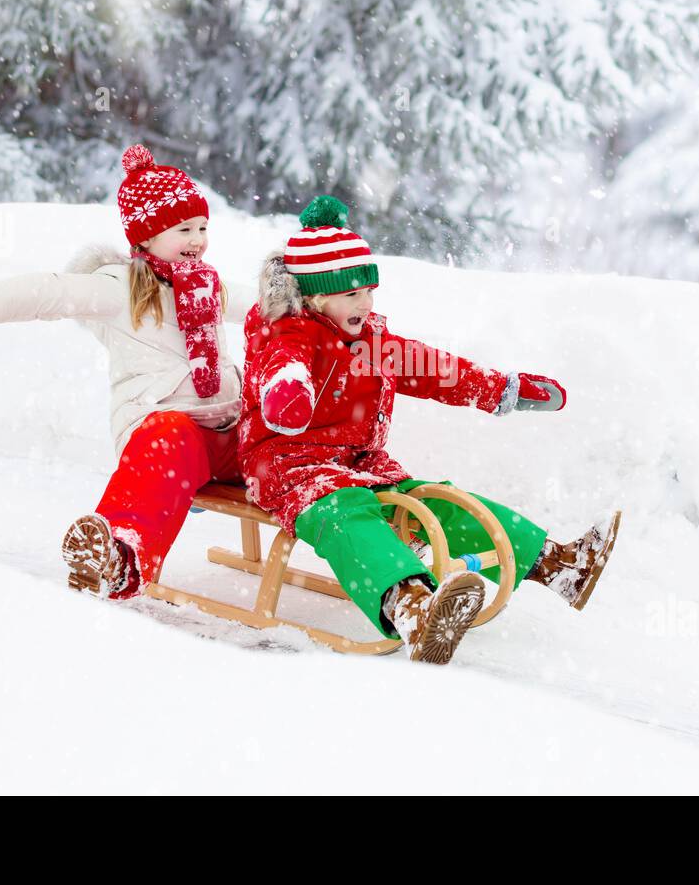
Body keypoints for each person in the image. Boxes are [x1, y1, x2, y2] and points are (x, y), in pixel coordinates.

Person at [238, 196, 621, 664]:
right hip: (290, 469)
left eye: (368, 291)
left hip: (359, 463)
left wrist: (502, 388)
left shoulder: (370, 343)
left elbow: (436, 370)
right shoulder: (288, 337)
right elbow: (282, 374)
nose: (366, 302)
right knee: (346, 515)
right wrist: (286, 397)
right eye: (351, 294)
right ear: (316, 296)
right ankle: (411, 606)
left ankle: (559, 564)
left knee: (432, 502)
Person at [0, 144, 253, 599]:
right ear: (145, 238)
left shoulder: (208, 285)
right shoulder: (117, 288)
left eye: (202, 227)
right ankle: (119, 556)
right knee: (170, 435)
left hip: (228, 429)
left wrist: (320, 297)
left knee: (279, 423)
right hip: (168, 436)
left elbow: (263, 304)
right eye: (184, 229)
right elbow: (49, 292)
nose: (198, 239)